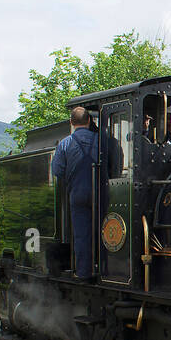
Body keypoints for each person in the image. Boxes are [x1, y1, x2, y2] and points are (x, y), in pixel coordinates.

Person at [51, 106, 100, 279]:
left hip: (77, 192)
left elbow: (57, 171)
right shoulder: (102, 141)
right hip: (102, 193)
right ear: (89, 121)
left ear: (71, 122)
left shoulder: (65, 143)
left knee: (81, 234)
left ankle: (84, 272)